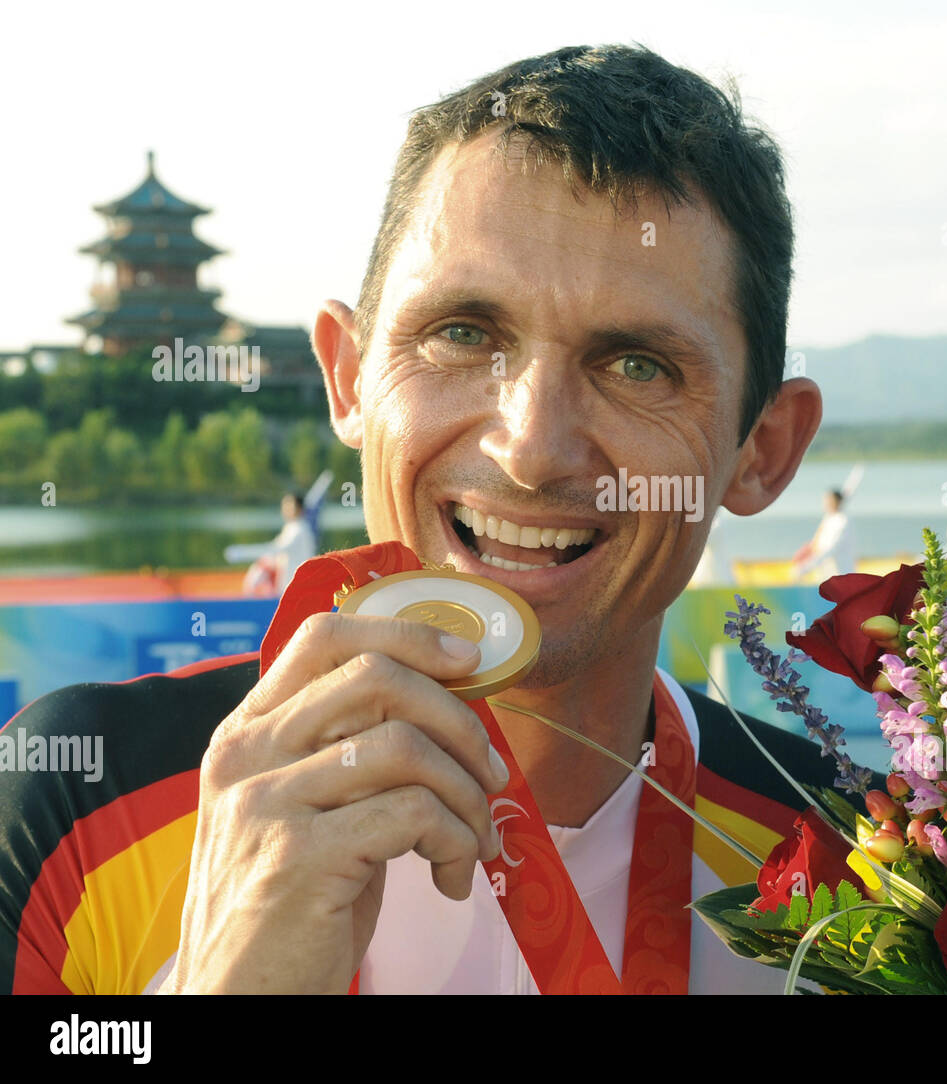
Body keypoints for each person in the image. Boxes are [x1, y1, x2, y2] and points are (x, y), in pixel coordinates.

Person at [0, 45, 876, 995]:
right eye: (463, 334)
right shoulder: (76, 806)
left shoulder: (867, 868)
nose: (531, 447)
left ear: (765, 450)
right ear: (348, 377)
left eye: (635, 364)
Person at [225, 470, 333, 595]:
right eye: (285, 505)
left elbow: (274, 549)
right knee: (260, 567)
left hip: (295, 591)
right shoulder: (293, 527)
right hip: (287, 588)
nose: (285, 509)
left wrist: (241, 553)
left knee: (261, 566)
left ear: (299, 509)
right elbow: (274, 552)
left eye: (289, 506)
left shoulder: (299, 531)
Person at [792, 489, 855, 579]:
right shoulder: (829, 518)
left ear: (837, 502)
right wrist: (809, 548)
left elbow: (831, 549)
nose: (826, 503)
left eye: (829, 500)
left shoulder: (842, 521)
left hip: (841, 574)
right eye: (825, 500)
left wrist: (806, 567)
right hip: (826, 574)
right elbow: (819, 544)